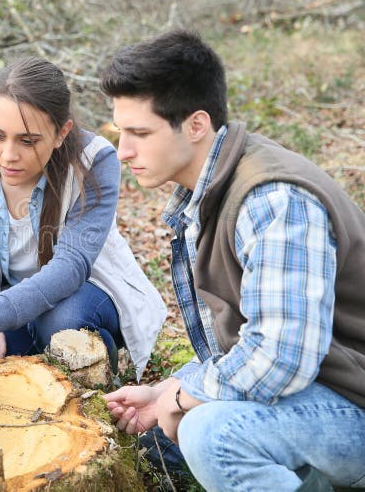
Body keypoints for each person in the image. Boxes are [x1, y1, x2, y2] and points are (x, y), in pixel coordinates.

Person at [100, 30, 365, 491]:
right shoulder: (211, 192)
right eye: (120, 132)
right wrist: (165, 391)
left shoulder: (272, 198)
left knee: (211, 433)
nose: (123, 151)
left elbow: (280, 355)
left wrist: (184, 396)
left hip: (353, 406)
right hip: (320, 396)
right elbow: (241, 346)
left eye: (139, 133)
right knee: (174, 432)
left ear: (196, 125)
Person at [0, 57, 166, 379]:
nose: (7, 155)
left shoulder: (94, 161)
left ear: (61, 133)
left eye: (28, 141)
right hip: (8, 303)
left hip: (90, 294)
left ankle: (100, 374)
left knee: (63, 322)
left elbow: (71, 266)